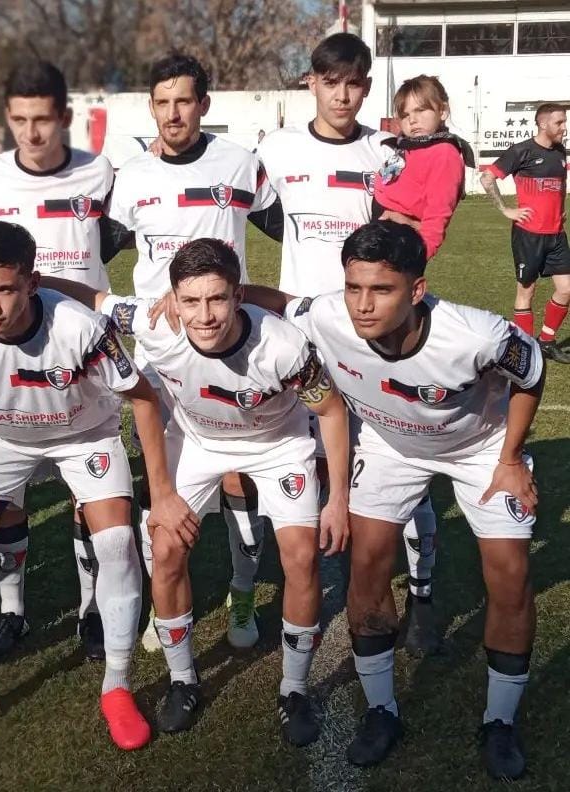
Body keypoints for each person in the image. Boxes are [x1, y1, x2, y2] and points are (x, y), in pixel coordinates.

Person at [0, 221, 196, 751]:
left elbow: (141, 397)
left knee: (116, 546)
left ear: (32, 282)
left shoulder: (80, 328)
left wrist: (159, 495)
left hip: (84, 437)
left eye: (5, 289)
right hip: (2, 438)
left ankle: (117, 687)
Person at [248, 221, 544, 781]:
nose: (362, 305)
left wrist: (510, 459)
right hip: (389, 446)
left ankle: (499, 721)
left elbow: (531, 373)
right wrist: (235, 291)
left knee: (510, 577)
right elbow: (283, 303)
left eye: (381, 290)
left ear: (415, 290)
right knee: (365, 568)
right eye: (353, 287)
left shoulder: (476, 335)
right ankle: (382, 710)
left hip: (478, 449)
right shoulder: (327, 314)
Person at [37, 237, 351, 743]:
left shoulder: (284, 346)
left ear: (238, 294)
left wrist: (338, 496)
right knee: (165, 549)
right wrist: (31, 281)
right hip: (197, 442)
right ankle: (183, 680)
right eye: (190, 301)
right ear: (173, 299)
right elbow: (90, 298)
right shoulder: (153, 324)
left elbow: (331, 410)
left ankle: (294, 689)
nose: (204, 315)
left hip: (276, 446)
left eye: (217, 299)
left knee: (301, 558)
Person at [257, 33, 441, 655]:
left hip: (372, 333)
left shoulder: (385, 151)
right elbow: (249, 210)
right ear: (311, 81)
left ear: (366, 88)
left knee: (399, 462)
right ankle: (303, 578)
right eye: (330, 80)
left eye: (354, 82)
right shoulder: (276, 149)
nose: (342, 93)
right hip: (303, 333)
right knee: (306, 461)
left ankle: (421, 595)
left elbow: (417, 222)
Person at [110, 52, 279, 651]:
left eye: (184, 100)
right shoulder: (130, 177)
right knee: (161, 480)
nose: (173, 112)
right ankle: (164, 599)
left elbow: (297, 228)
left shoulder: (241, 164)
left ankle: (241, 594)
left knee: (238, 478)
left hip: (230, 348)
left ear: (204, 104)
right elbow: (87, 257)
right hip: (159, 358)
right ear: (150, 107)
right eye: (162, 102)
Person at [0, 60, 120, 660]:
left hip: (79, 348)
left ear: (64, 117)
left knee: (87, 485)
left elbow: (113, 243)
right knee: (9, 490)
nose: (31, 133)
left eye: (43, 120)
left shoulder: (100, 173)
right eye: (20, 120)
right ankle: (12, 613)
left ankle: (91, 609)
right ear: (8, 117)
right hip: (3, 349)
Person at [480, 102, 569, 363]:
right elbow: (487, 178)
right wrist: (505, 209)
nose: (564, 127)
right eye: (559, 123)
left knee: (566, 288)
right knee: (526, 291)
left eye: (564, 122)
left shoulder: (560, 151)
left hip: (557, 234)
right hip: (529, 234)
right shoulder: (522, 151)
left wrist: (559, 210)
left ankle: (547, 341)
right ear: (543, 124)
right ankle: (527, 348)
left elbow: (558, 186)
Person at [373, 75, 471, 260]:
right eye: (405, 115)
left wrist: (415, 261)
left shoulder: (443, 153)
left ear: (442, 111)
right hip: (380, 231)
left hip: (396, 242)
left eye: (420, 110)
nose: (412, 120)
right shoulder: (410, 146)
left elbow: (437, 217)